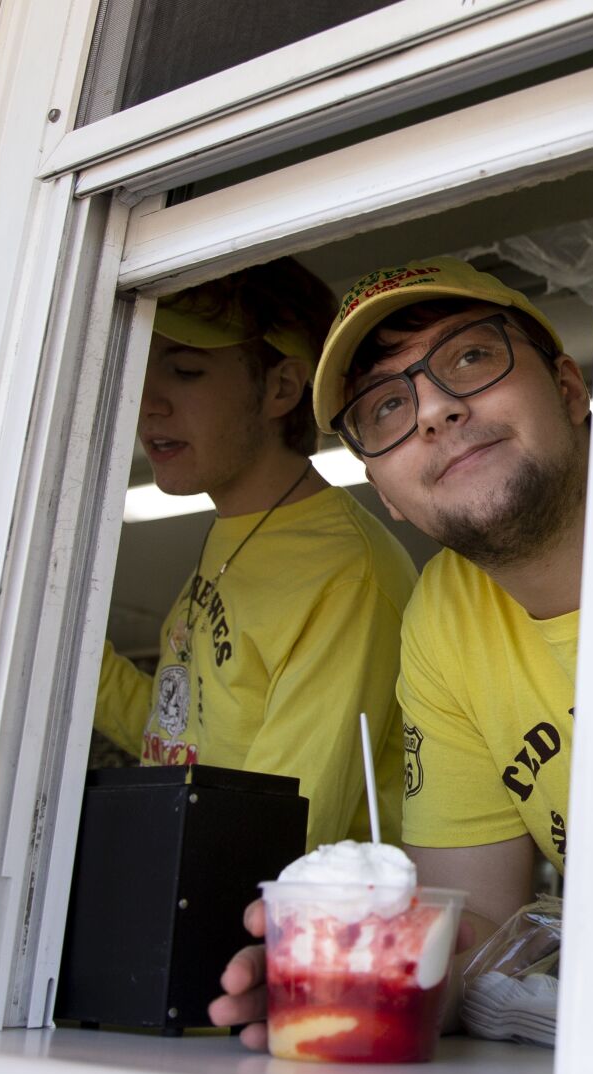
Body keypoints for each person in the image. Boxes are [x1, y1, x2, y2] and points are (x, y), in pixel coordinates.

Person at [209, 256, 591, 1048]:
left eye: (470, 358)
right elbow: (475, 927)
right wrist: (365, 971)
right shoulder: (443, 617)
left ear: (569, 388)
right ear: (386, 493)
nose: (434, 412)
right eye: (387, 406)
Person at [94, 258, 420, 848]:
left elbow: (277, 831)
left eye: (186, 371)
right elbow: (184, 726)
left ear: (281, 387)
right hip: (189, 885)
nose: (150, 404)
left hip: (263, 923)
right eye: (146, 374)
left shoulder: (343, 573)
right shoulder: (240, 527)